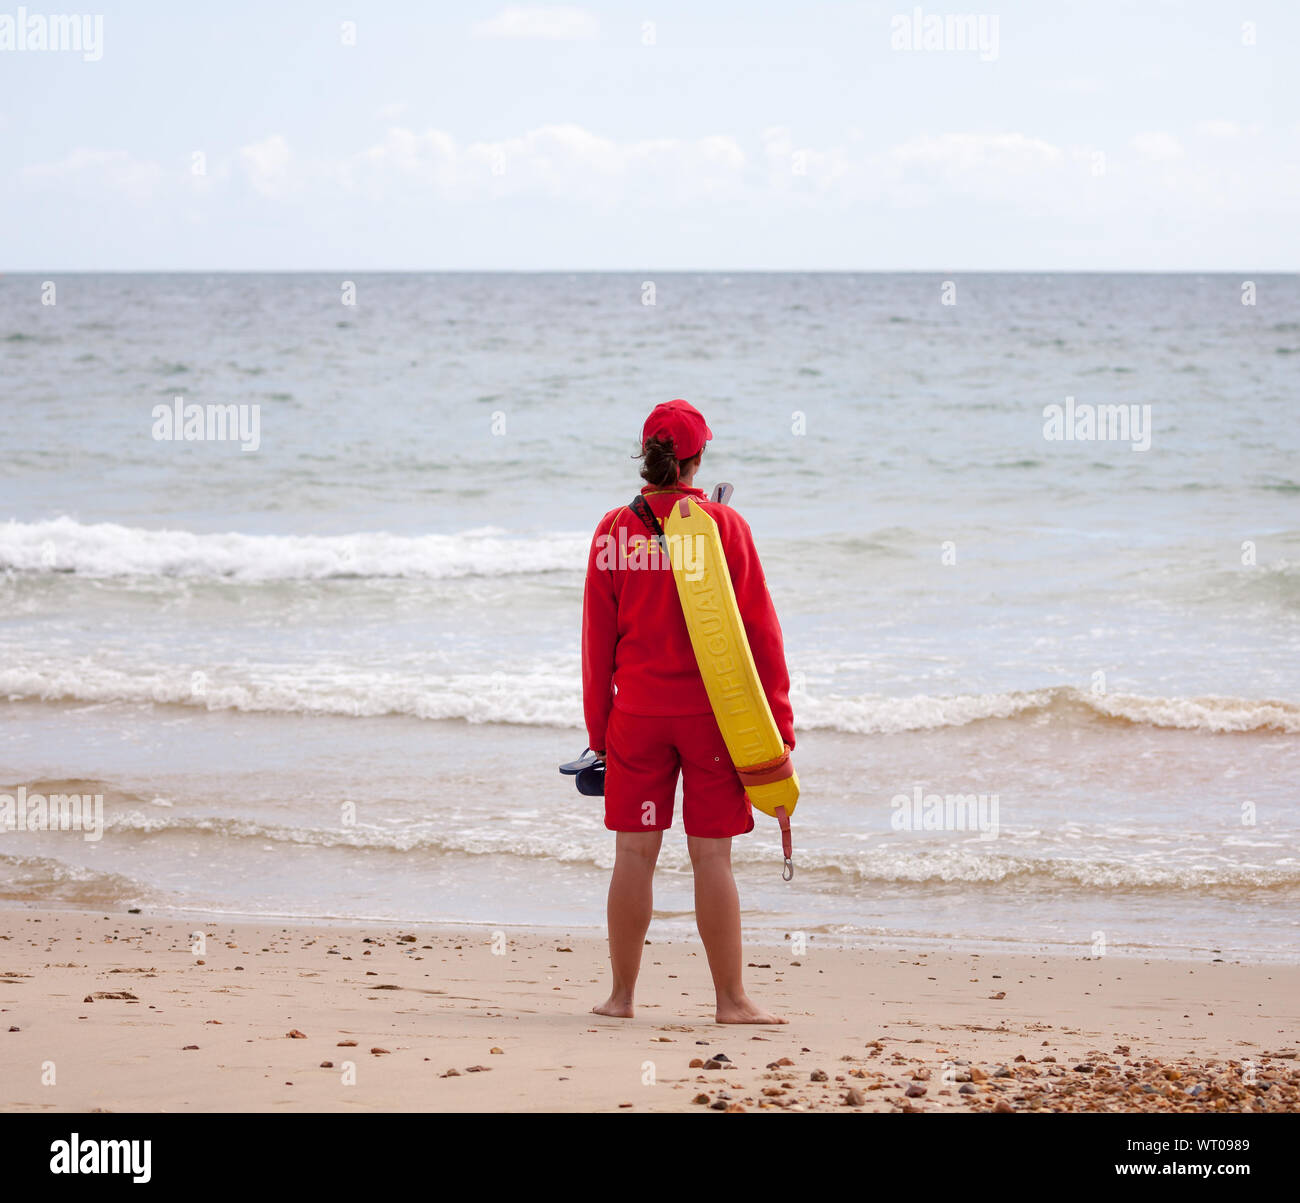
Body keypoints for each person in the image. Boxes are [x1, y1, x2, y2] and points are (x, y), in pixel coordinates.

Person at [581, 398, 795, 1024]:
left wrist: (599, 731)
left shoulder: (613, 529)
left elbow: (597, 641)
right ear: (698, 459)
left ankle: (620, 998)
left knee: (633, 856)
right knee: (711, 858)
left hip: (637, 718)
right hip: (714, 719)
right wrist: (777, 728)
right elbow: (760, 633)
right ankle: (730, 1001)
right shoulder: (726, 528)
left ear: (647, 457)